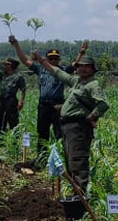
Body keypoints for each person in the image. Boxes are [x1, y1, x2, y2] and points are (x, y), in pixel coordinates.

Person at [31, 52, 108, 195]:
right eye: (80, 66)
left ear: (92, 69)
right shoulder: (76, 81)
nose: (83, 69)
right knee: (70, 159)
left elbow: (103, 104)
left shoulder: (93, 85)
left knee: (77, 159)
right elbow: (58, 72)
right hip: (68, 126)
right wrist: (42, 61)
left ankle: (81, 194)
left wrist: (91, 117)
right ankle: (76, 192)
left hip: (79, 126)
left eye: (87, 67)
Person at [10, 36, 87, 159]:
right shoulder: (40, 69)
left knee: (59, 132)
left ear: (59, 60)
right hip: (43, 105)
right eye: (51, 58)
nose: (53, 60)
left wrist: (81, 53)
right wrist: (16, 45)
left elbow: (75, 65)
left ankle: (61, 157)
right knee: (42, 133)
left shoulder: (62, 70)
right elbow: (25, 61)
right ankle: (42, 157)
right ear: (46, 59)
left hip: (58, 106)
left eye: (56, 58)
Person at [0, 52, 26, 133]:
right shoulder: (3, 75)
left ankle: (14, 138)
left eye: (7, 64)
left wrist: (21, 101)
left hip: (11, 100)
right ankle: (1, 137)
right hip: (2, 99)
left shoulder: (18, 77)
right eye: (5, 64)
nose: (5, 66)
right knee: (0, 119)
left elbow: (23, 89)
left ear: (12, 66)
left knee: (12, 119)